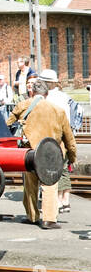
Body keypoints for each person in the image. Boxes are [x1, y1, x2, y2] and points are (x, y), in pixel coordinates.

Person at [7, 78, 78, 228]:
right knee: (49, 185)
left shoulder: (23, 105)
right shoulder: (58, 110)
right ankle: (49, 219)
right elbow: (69, 138)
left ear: (32, 92)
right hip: (50, 153)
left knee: (30, 185)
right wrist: (72, 157)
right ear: (46, 93)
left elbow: (7, 125)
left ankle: (32, 216)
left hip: (29, 152)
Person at [39, 69, 77, 213]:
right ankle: (64, 201)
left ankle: (56, 202)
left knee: (52, 169)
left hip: (52, 137)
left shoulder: (47, 98)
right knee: (65, 169)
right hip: (66, 135)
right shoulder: (64, 96)